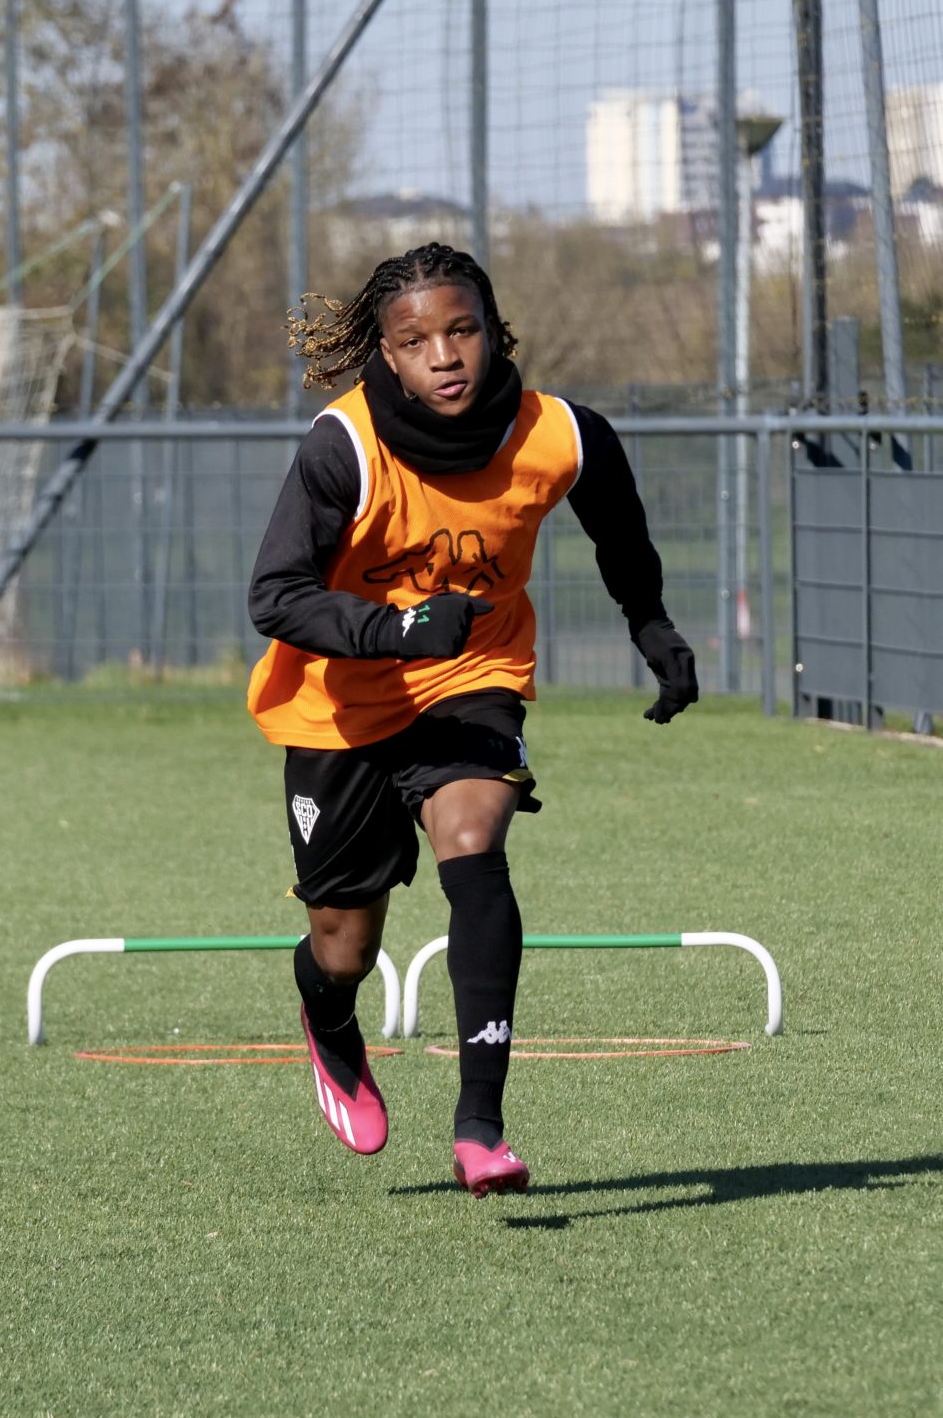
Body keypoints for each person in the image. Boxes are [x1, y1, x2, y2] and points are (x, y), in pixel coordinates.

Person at [245, 241, 699, 1197]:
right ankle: (328, 1021)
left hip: (473, 676)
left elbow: (619, 529)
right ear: (386, 352)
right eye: (416, 341)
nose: (444, 355)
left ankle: (480, 1127)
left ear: (495, 333)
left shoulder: (560, 435)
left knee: (472, 834)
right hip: (339, 707)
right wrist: (397, 624)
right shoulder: (345, 445)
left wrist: (652, 628)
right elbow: (276, 596)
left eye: (463, 331)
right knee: (344, 942)